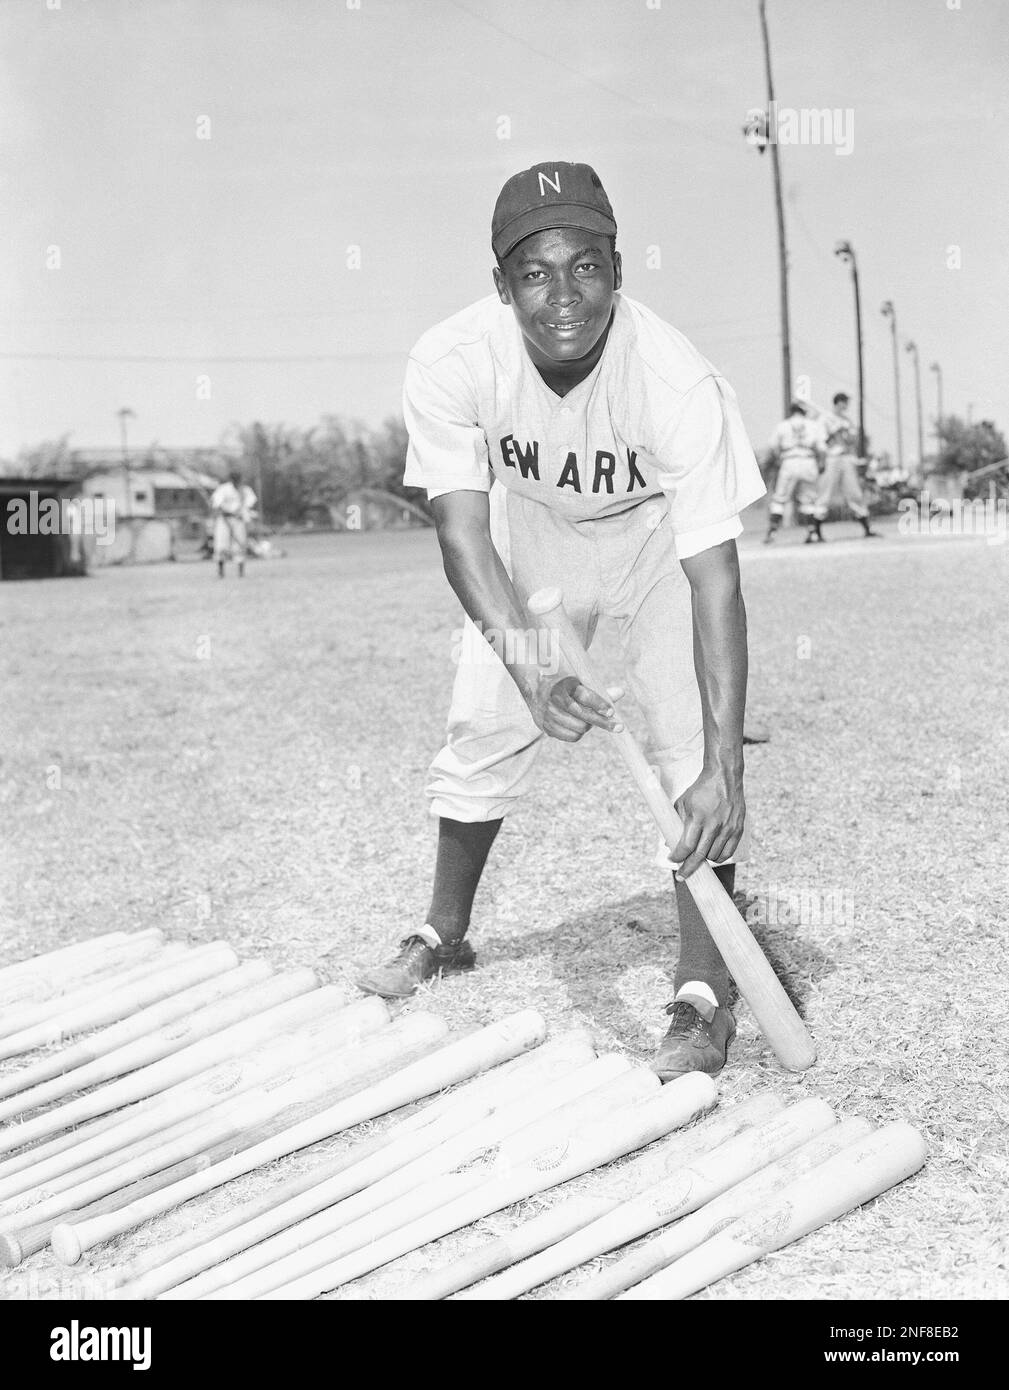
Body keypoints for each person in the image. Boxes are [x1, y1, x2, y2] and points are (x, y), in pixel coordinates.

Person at [356, 162, 768, 1082]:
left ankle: (704, 993)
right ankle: (444, 931)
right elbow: (461, 532)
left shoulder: (674, 378)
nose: (563, 295)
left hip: (657, 543)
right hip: (534, 532)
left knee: (688, 764)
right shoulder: (454, 357)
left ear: (618, 268)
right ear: (501, 284)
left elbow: (715, 577)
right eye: (535, 274)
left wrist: (725, 761)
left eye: (585, 267)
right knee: (485, 725)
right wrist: (533, 667)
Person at [808, 393, 881, 539]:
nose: (846, 405)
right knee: (825, 493)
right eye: (844, 402)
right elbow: (821, 442)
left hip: (847, 458)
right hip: (832, 458)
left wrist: (844, 432)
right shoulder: (824, 420)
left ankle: (867, 529)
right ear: (838, 402)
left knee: (855, 493)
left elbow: (852, 440)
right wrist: (834, 432)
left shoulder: (847, 421)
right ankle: (816, 532)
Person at [764, 402, 825, 544]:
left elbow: (773, 446)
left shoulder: (783, 425)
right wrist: (821, 463)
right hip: (808, 460)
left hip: (789, 460)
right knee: (809, 499)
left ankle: (772, 533)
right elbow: (821, 448)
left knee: (780, 498)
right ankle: (812, 533)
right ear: (804, 412)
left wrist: (779, 458)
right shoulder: (812, 425)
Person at [209, 470, 258, 577]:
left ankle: (241, 572)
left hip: (238, 520)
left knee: (239, 545)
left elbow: (251, 502)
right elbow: (217, 504)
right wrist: (227, 513)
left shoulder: (245, 490)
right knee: (222, 544)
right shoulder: (223, 489)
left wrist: (244, 513)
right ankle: (221, 571)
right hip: (224, 520)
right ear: (231, 480)